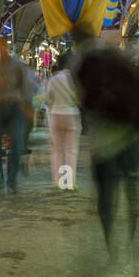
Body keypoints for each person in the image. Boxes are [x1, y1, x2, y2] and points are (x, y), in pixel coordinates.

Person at [75, 33, 139, 259]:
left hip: (103, 146)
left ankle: (110, 245)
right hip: (127, 141)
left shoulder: (88, 67)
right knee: (131, 193)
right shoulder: (126, 69)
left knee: (106, 198)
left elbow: (85, 102)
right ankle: (134, 240)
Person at [0, 31, 38, 198]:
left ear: (9, 45)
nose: (3, 46)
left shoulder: (18, 65)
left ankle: (11, 183)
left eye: (5, 43)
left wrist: (27, 107)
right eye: (1, 43)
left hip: (14, 108)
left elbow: (25, 88)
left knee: (15, 147)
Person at [44, 52, 81, 190]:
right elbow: (80, 98)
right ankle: (70, 183)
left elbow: (48, 100)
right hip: (71, 115)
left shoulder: (52, 79)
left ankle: (58, 182)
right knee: (71, 150)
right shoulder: (74, 78)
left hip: (55, 115)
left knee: (57, 150)